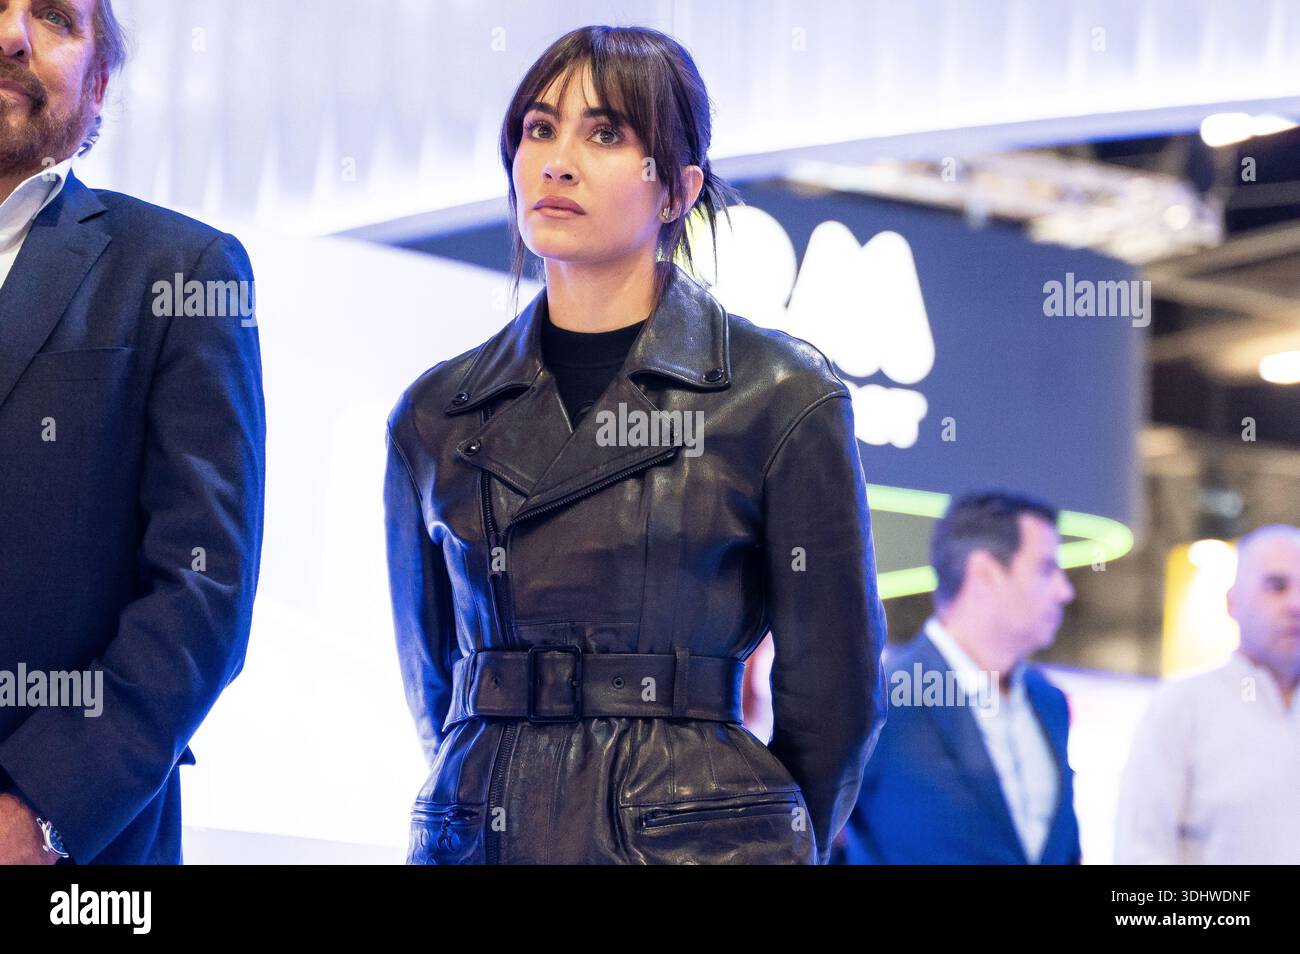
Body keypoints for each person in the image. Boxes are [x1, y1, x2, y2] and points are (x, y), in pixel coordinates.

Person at [384, 24, 888, 864]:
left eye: (606, 134)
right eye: (539, 129)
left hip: (700, 838)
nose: (557, 159)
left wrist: (760, 834)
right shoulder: (435, 412)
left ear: (677, 189)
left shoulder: (778, 395)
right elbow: (436, 683)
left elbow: (835, 694)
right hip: (480, 829)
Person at [0, 0, 265, 864]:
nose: (11, 35)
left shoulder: (181, 270)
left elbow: (201, 591)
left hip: (68, 852)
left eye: (52, 17)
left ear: (100, 82)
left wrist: (44, 808)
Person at [834, 490, 1082, 864]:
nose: (1066, 591)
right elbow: (817, 839)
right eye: (1047, 569)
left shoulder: (1050, 703)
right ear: (984, 573)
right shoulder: (881, 698)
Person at [1114, 524, 1300, 864]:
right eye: (1277, 587)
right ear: (1233, 601)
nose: (1296, 604)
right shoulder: (1183, 705)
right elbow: (1141, 849)